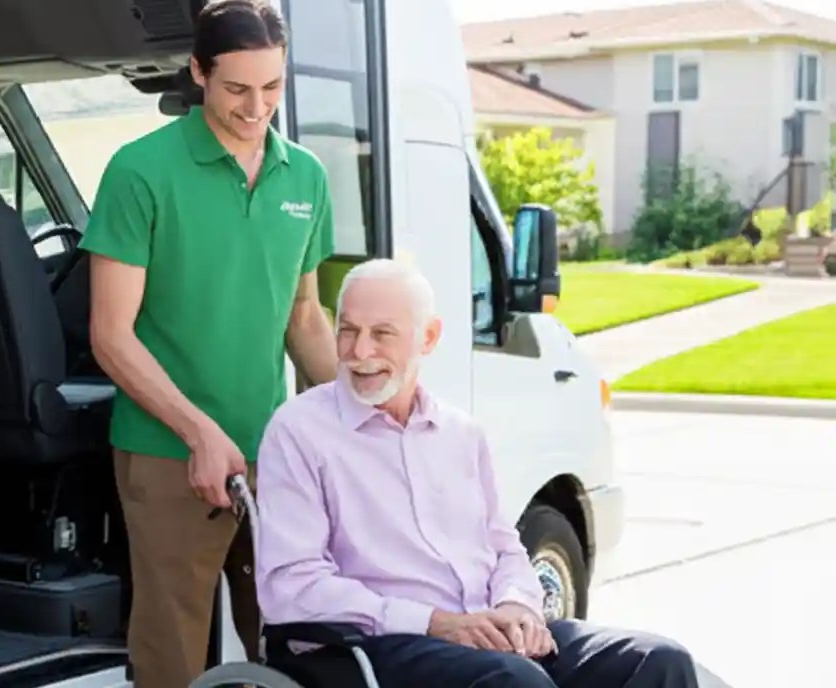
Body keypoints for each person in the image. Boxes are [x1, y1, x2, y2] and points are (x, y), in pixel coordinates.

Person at [254, 257, 699, 687]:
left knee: (656, 661)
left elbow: (504, 548)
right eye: (347, 330)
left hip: (482, 632)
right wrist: (434, 623)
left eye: (382, 334)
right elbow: (292, 585)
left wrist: (517, 606)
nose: (359, 351)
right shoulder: (300, 431)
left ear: (427, 338)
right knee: (512, 681)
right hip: (374, 644)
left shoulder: (460, 434)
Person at [79, 0, 339, 688]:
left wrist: (365, 408)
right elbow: (110, 334)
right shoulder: (141, 171)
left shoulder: (306, 178)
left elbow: (306, 318)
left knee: (295, 642)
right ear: (197, 74)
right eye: (236, 89)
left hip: (274, 452)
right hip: (166, 451)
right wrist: (198, 432)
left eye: (272, 87)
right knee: (173, 658)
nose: (256, 108)